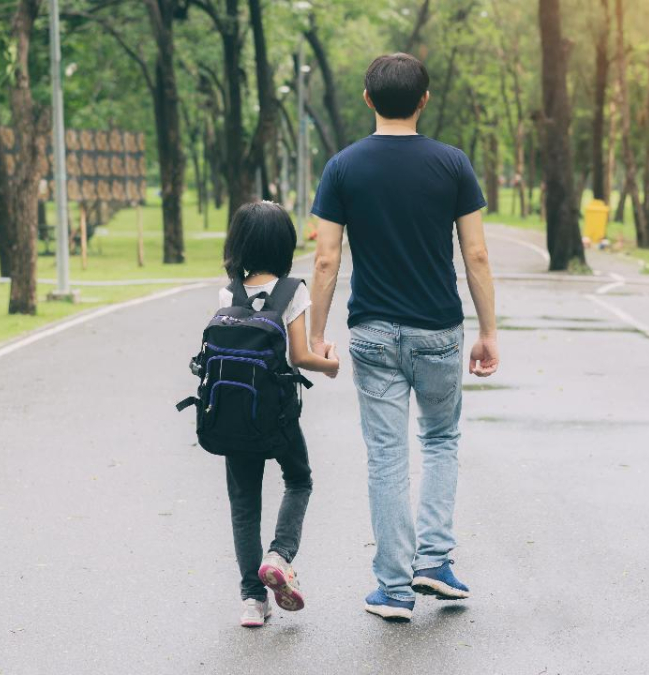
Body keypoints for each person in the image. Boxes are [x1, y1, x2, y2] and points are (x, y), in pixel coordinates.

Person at [306, 53, 500, 622]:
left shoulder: (342, 167)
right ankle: (434, 562)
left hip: (371, 331)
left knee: (386, 455)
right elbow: (478, 254)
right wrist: (488, 331)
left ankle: (392, 588)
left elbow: (325, 259)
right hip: (438, 328)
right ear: (424, 99)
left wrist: (316, 336)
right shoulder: (453, 164)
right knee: (440, 440)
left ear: (367, 99)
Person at [215, 201, 340, 628]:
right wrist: (332, 364)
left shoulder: (228, 292)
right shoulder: (293, 291)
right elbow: (301, 357)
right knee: (299, 479)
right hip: (277, 416)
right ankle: (280, 556)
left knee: (244, 503)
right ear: (285, 244)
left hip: (233, 415)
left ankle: (252, 600)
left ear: (239, 243)